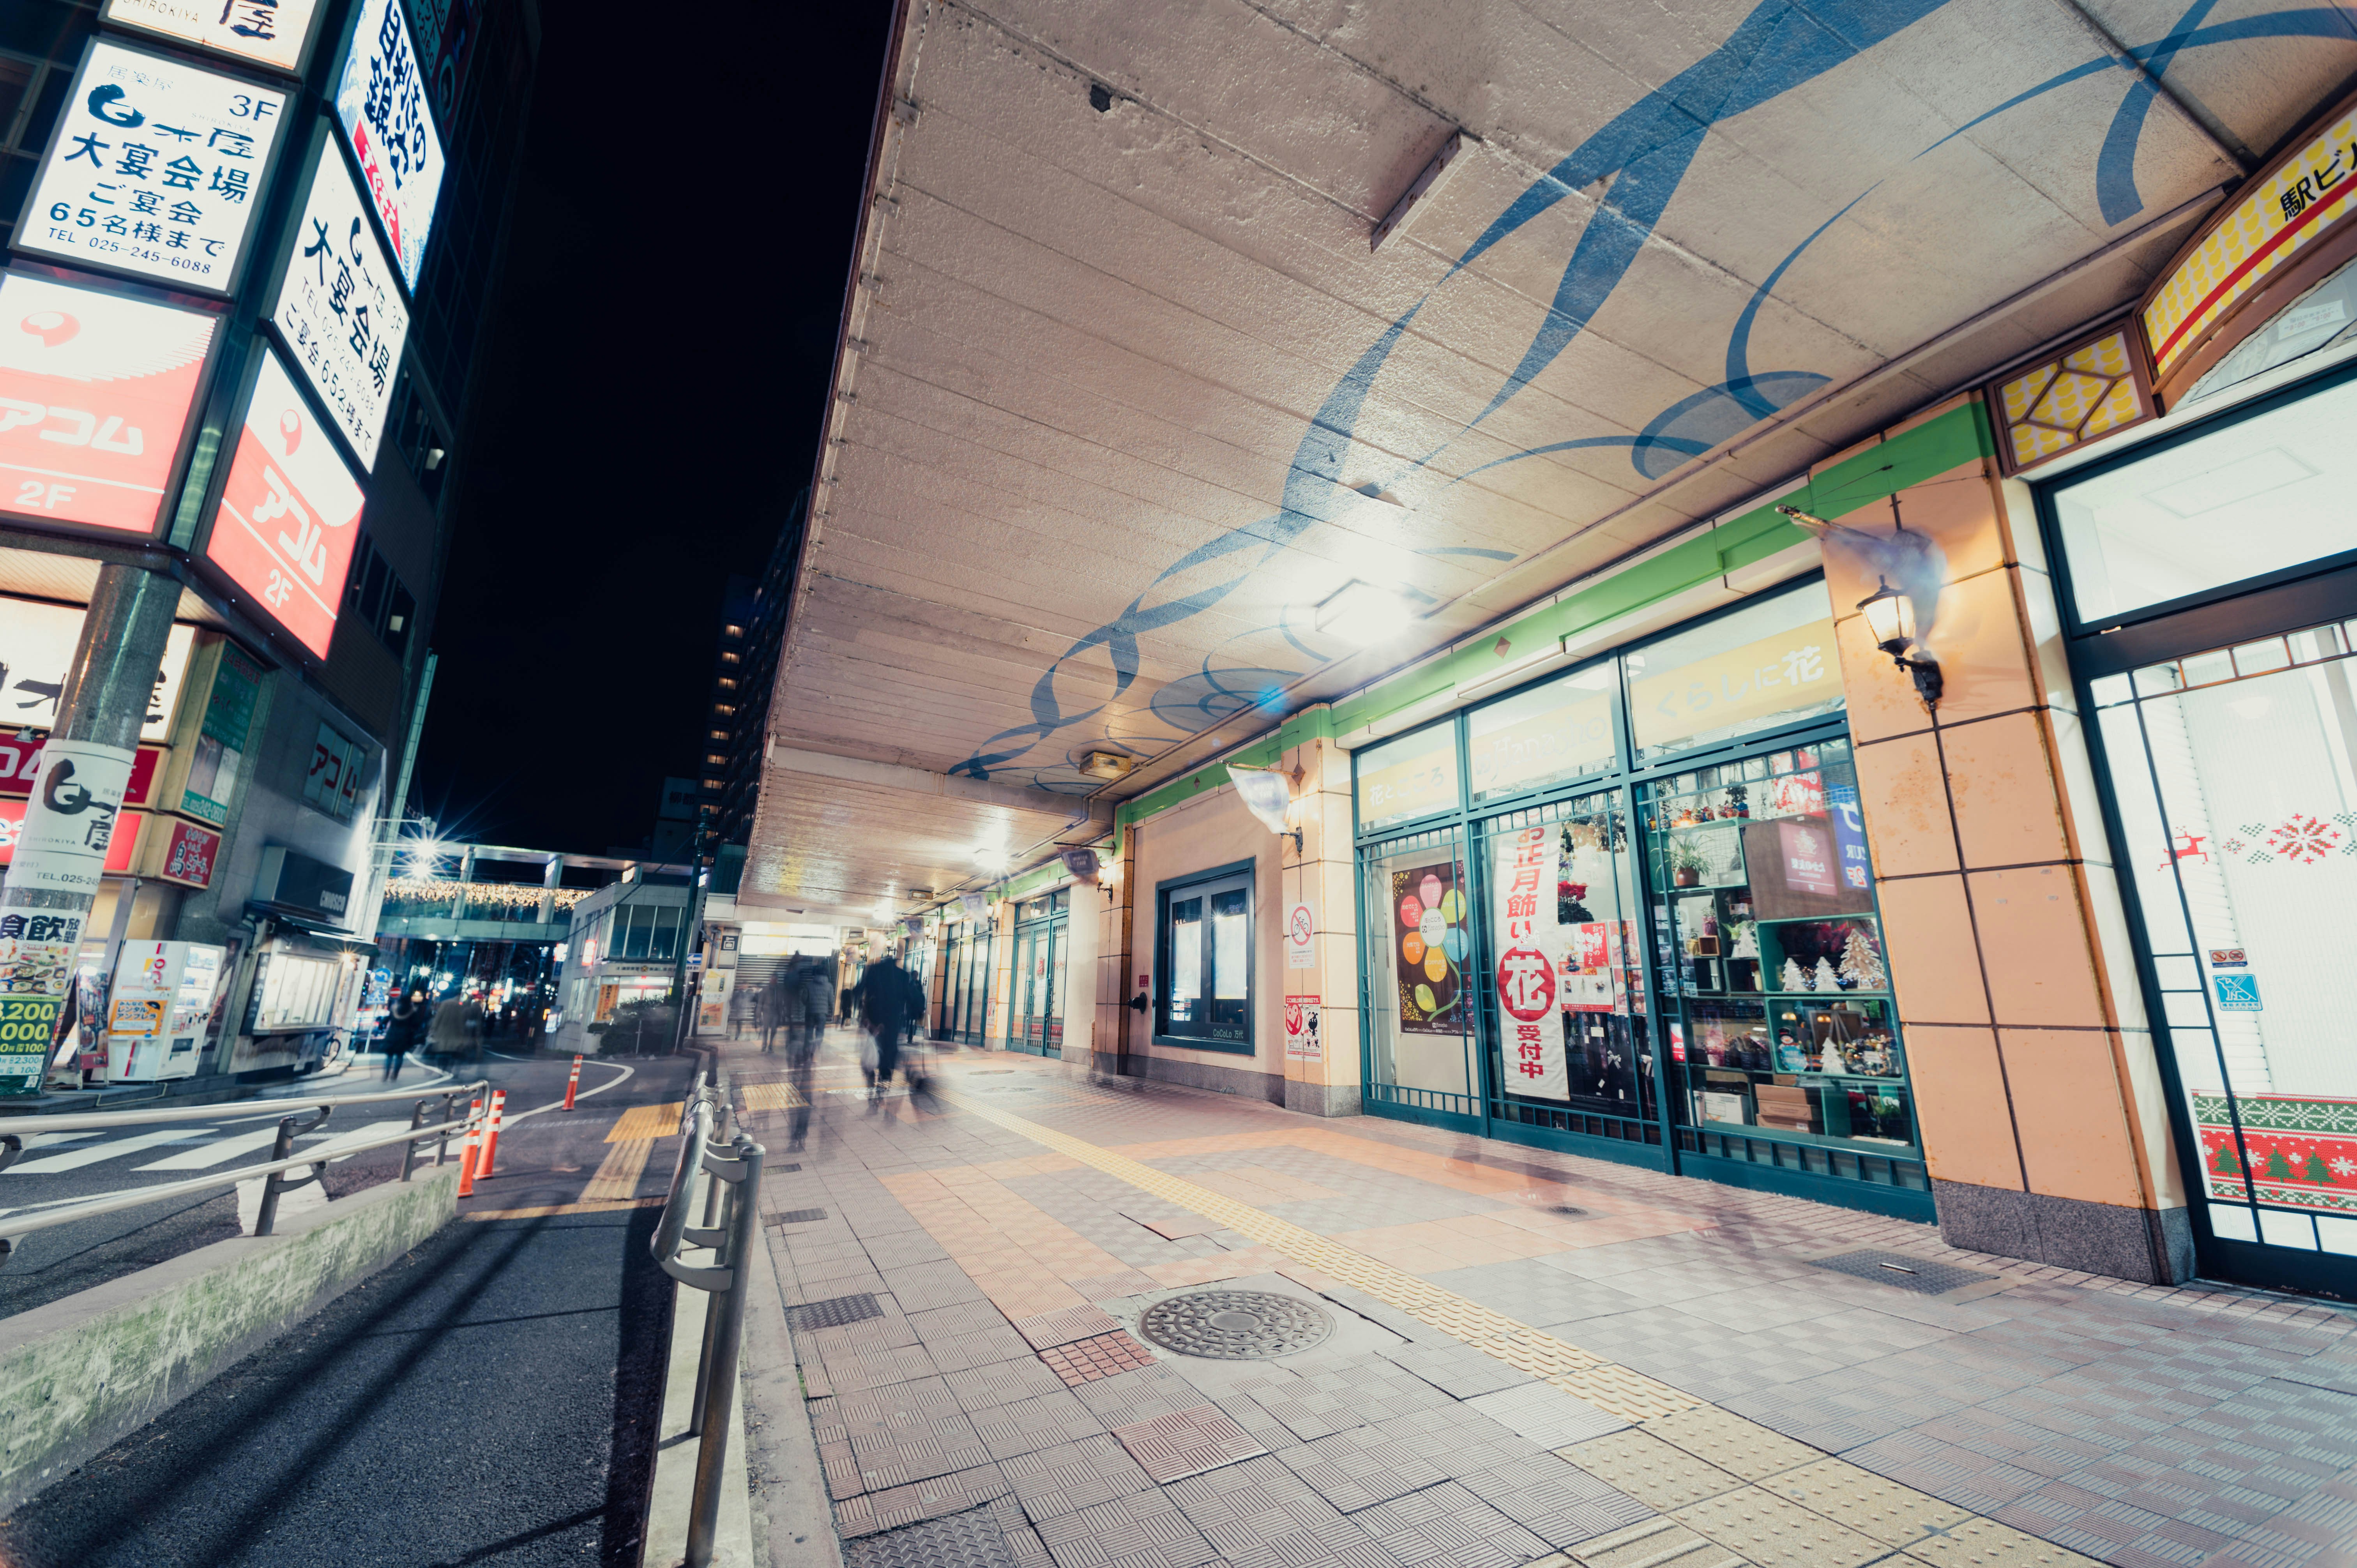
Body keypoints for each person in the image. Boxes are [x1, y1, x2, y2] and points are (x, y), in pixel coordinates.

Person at [382, 989, 423, 1079]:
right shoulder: (412, 1012)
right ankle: (395, 1074)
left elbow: (387, 1019)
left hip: (392, 1035)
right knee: (400, 1056)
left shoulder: (395, 1009)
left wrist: (383, 1025)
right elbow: (416, 1024)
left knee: (390, 1055)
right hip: (404, 1036)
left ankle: (386, 1073)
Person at [429, 992, 470, 1064]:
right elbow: (462, 1022)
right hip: (455, 1033)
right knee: (451, 1051)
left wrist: (433, 1029)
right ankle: (446, 1067)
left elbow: (438, 1018)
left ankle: (441, 1066)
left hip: (442, 1031)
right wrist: (462, 1034)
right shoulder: (460, 1007)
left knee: (442, 1049)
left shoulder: (445, 1004)